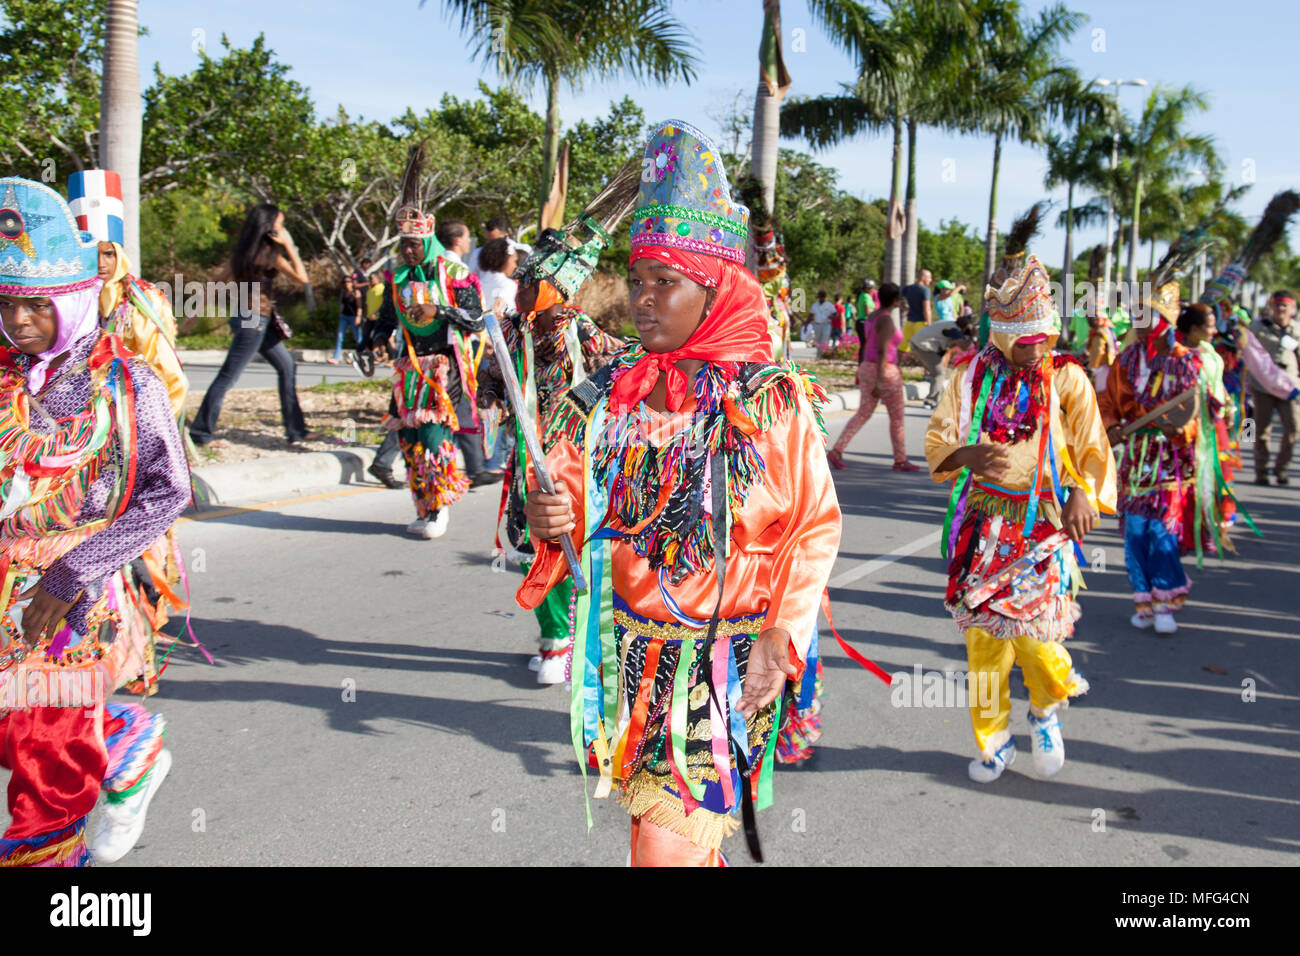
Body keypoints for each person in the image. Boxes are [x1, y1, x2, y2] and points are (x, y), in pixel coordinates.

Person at [519, 120, 841, 866]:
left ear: (716, 288)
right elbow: (572, 523)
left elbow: (812, 528)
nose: (642, 299)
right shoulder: (608, 397)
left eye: (665, 283)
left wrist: (780, 636)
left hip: (719, 666)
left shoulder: (770, 400)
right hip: (630, 659)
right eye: (636, 282)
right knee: (663, 840)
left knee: (662, 850)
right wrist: (551, 520)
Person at [0, 178, 191, 866]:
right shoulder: (4, 373)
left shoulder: (125, 381)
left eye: (36, 304)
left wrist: (72, 571)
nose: (21, 321)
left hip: (69, 599)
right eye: (8, 304)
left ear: (75, 296)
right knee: (20, 728)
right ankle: (124, 740)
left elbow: (166, 492)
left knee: (44, 758)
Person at [925, 254, 1116, 783]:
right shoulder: (968, 377)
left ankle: (1045, 710)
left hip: (1044, 528)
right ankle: (995, 741)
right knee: (984, 647)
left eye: (1045, 337)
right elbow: (940, 439)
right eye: (1026, 340)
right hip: (983, 525)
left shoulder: (1068, 378)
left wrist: (1084, 492)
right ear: (1003, 336)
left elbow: (1093, 445)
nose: (1038, 348)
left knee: (1038, 642)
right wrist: (965, 457)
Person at [477, 227, 625, 685]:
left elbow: (621, 376)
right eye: (519, 280)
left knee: (571, 546)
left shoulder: (582, 332)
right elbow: (491, 378)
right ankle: (555, 637)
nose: (519, 289)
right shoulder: (508, 329)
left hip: (575, 465)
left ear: (556, 289)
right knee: (531, 547)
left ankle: (573, 642)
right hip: (527, 462)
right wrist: (488, 396)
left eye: (528, 282)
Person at [385, 158, 485, 538]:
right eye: (403, 245)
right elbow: (385, 317)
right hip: (408, 368)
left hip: (444, 369)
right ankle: (423, 507)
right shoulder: (399, 278)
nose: (408, 252)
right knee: (408, 438)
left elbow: (477, 319)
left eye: (414, 245)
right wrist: (375, 337)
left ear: (427, 241)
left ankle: (440, 509)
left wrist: (438, 309)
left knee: (432, 437)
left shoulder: (458, 274)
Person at [1099, 281, 1202, 635]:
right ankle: (1143, 600)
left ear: (1165, 319)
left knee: (1162, 531)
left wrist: (1179, 430)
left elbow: (1193, 414)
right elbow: (1110, 403)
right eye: (1136, 313)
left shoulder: (1186, 361)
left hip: (1168, 460)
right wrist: (1110, 426)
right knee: (1135, 533)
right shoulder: (1126, 357)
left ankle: (1164, 602)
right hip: (1134, 458)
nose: (1137, 319)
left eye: (1146, 313)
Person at [189, 204, 324, 448]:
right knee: (227, 377)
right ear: (269, 227)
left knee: (287, 367)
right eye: (280, 225)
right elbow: (302, 278)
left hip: (253, 321)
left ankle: (297, 431)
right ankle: (201, 433)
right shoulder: (270, 255)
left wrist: (192, 316)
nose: (283, 230)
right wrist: (289, 247)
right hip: (254, 323)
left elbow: (214, 283)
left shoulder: (242, 254)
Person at [827, 282, 919, 472]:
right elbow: (881, 350)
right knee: (897, 417)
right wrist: (879, 379)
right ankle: (900, 459)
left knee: (863, 413)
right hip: (884, 370)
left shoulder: (872, 316)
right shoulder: (885, 320)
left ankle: (837, 450)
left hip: (868, 367)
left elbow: (868, 345)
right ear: (894, 300)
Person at [1247, 291, 1299, 485]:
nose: (1281, 309)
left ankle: (1282, 468)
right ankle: (1261, 471)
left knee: (1293, 428)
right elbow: (1246, 351)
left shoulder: (1297, 330)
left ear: (1292, 308)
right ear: (1272, 307)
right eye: (1278, 305)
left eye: (1285, 306)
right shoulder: (1258, 328)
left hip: (1289, 385)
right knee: (1261, 430)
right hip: (1262, 386)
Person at [329, 274, 362, 365]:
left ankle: (361, 357)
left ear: (352, 283)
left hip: (353, 316)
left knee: (358, 338)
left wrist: (358, 317)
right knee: (340, 337)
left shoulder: (356, 292)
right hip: (344, 316)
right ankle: (336, 358)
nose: (346, 283)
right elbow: (341, 304)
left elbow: (359, 306)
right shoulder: (343, 292)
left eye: (348, 281)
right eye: (345, 282)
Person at [900, 268, 932, 351]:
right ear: (923, 277)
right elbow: (927, 309)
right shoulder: (925, 290)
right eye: (929, 277)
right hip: (921, 323)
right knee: (923, 348)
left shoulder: (908, 288)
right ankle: (925, 364)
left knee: (903, 347)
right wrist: (929, 324)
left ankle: (896, 363)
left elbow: (896, 300)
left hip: (909, 322)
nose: (930, 280)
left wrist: (903, 308)